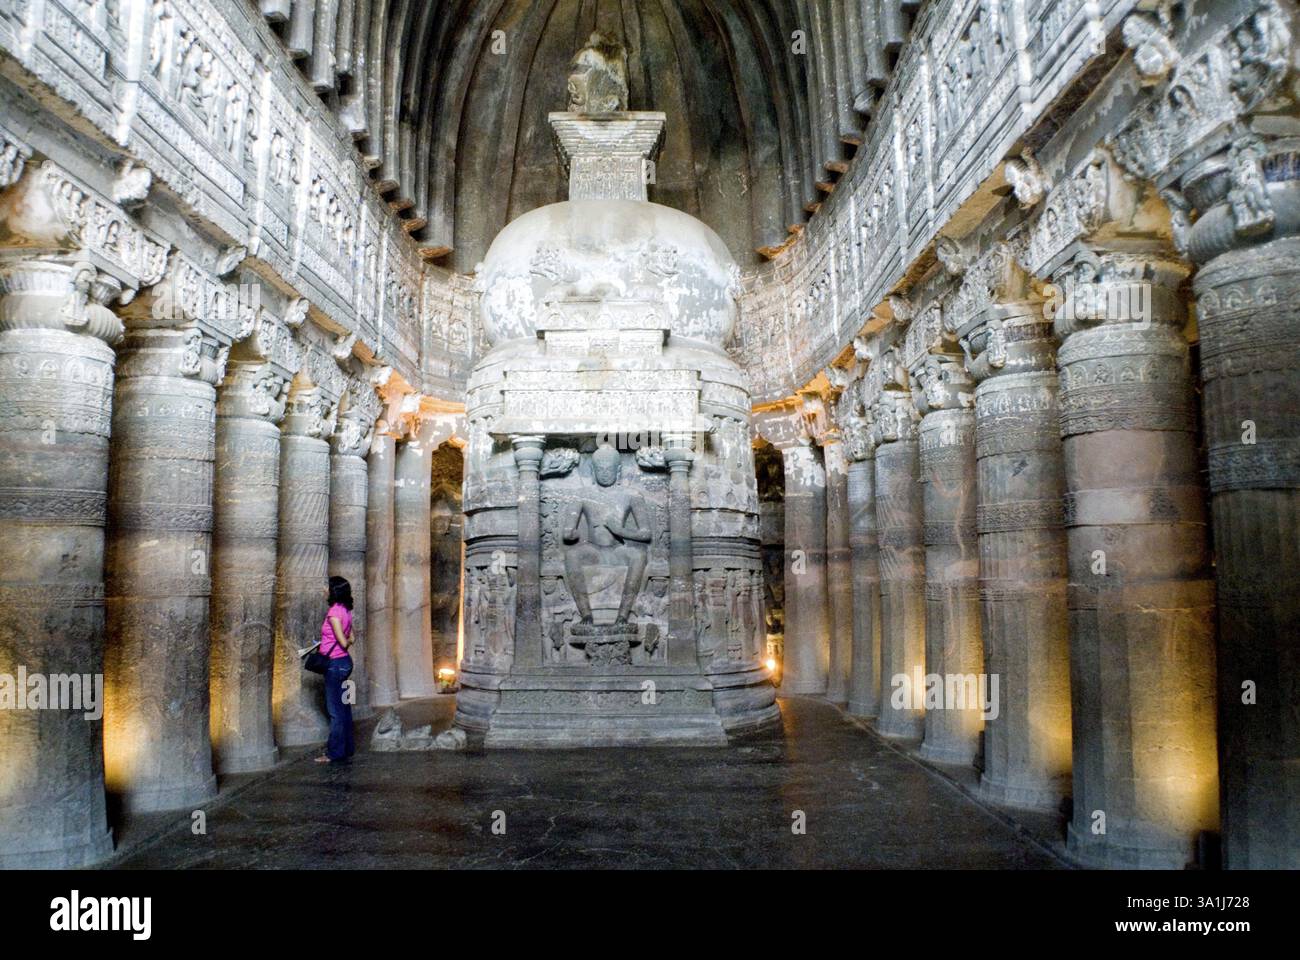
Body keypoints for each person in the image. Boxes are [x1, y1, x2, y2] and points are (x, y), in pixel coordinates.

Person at [317, 576, 356, 764]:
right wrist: (346, 641)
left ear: (333, 590)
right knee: (345, 707)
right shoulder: (346, 610)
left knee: (335, 711)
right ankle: (347, 748)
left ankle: (334, 753)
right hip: (345, 663)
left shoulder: (333, 612)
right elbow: (352, 637)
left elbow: (344, 641)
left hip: (335, 664)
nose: (324, 589)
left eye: (327, 586)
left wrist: (344, 642)